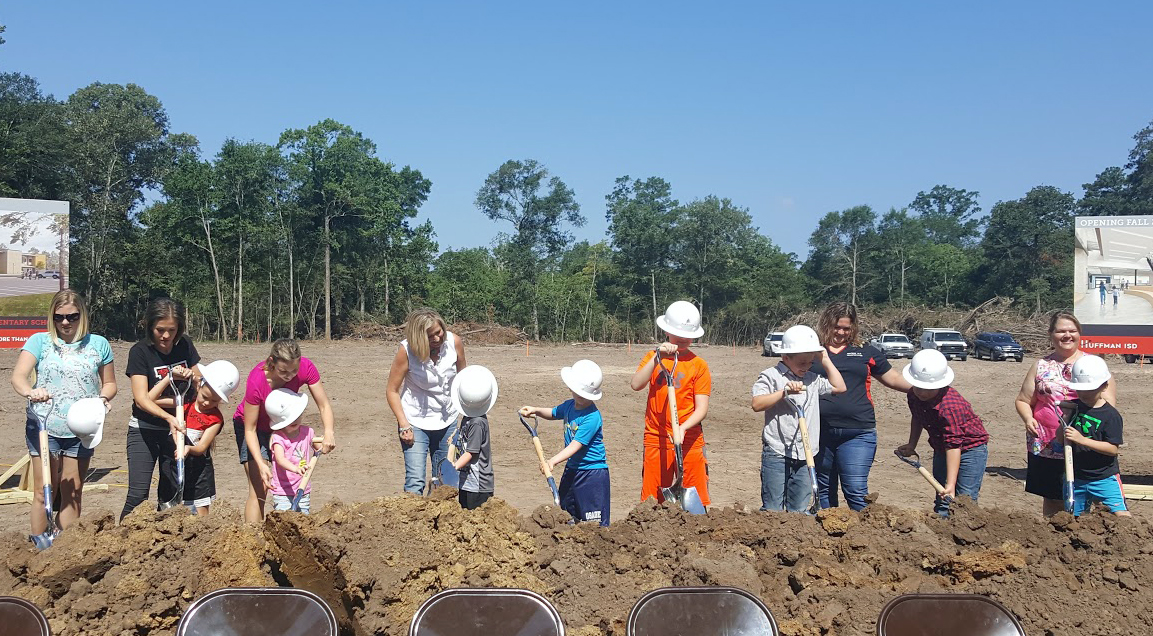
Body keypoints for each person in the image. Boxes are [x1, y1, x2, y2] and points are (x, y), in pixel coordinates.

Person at [11, 290, 116, 535]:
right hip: (45, 425)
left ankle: (63, 546)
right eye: (59, 318)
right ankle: (40, 545)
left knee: (73, 489)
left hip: (82, 428)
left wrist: (102, 399)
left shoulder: (98, 344)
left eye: (72, 316)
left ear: (82, 316)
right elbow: (18, 376)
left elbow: (109, 384)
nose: (66, 323)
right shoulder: (40, 341)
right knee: (45, 488)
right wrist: (31, 392)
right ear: (52, 317)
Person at [810, 302, 911, 511]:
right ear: (825, 324)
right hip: (818, 431)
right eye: (836, 327)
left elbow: (892, 378)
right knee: (823, 489)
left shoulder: (865, 351)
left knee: (855, 489)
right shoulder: (812, 351)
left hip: (857, 432)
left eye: (846, 328)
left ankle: (867, 535)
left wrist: (923, 389)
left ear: (853, 328)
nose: (840, 332)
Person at [1015, 312, 1116, 517]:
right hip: (1046, 444)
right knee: (1052, 496)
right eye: (1061, 331)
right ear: (1051, 334)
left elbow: (1108, 406)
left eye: (1072, 331)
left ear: (1080, 334)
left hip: (1083, 443)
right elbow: (1023, 400)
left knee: (1084, 496)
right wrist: (1028, 418)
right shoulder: (1041, 365)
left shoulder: (1093, 364)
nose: (1067, 335)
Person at [235, 339, 335, 522]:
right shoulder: (257, 380)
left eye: (294, 371)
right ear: (272, 362)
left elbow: (323, 404)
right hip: (254, 428)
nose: (289, 376)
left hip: (284, 425)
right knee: (260, 489)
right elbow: (250, 429)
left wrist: (329, 431)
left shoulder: (306, 367)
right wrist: (261, 463)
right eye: (283, 371)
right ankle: (252, 540)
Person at [121, 297, 201, 520]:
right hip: (144, 430)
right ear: (150, 327)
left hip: (177, 430)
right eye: (160, 330)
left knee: (171, 495)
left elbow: (199, 387)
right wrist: (170, 408)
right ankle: (121, 541)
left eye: (171, 330)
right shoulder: (139, 352)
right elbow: (141, 400)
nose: (166, 336)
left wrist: (191, 378)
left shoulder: (185, 345)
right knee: (138, 495)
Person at [752, 325, 846, 513]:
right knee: (772, 508)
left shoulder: (812, 379)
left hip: (807, 453)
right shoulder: (771, 376)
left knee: (800, 510)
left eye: (810, 362)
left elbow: (840, 387)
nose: (806, 367)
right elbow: (757, 404)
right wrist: (784, 392)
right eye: (802, 363)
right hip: (777, 450)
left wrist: (825, 359)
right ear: (786, 357)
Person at [630, 300, 711, 508]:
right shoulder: (653, 357)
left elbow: (701, 408)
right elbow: (636, 384)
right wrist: (657, 358)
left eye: (688, 336)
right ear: (666, 331)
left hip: (689, 438)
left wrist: (683, 428)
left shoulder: (699, 365)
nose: (683, 339)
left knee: (695, 498)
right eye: (678, 334)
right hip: (656, 437)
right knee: (653, 499)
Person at [519, 359, 611, 526]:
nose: (581, 397)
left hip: (592, 474)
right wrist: (536, 410)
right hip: (573, 470)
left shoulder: (592, 417)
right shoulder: (570, 406)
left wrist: (552, 461)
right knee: (565, 512)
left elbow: (575, 446)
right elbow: (554, 413)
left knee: (593, 522)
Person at [897, 350, 989, 517]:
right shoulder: (913, 395)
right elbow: (917, 417)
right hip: (941, 448)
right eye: (919, 387)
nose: (922, 393)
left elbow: (954, 445)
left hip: (970, 449)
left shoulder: (951, 406)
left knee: (964, 497)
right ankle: (942, 531)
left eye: (928, 389)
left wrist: (951, 483)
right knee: (942, 498)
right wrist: (912, 444)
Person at [386, 308, 467, 494]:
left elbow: (464, 380)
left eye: (439, 333)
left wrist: (466, 417)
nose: (437, 339)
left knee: (445, 480)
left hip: (448, 420)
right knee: (415, 481)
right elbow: (391, 390)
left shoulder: (454, 343)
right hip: (415, 422)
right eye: (430, 336)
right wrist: (403, 425)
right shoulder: (406, 351)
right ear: (418, 338)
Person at [146, 360, 238, 516]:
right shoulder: (182, 404)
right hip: (174, 467)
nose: (208, 403)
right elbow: (151, 399)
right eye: (205, 396)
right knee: (169, 510)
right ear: (198, 386)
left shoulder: (215, 419)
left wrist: (188, 448)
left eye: (215, 401)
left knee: (200, 513)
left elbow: (202, 447)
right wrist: (170, 377)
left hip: (199, 472)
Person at [1062, 355, 1130, 517]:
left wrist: (1082, 440)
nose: (1084, 394)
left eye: (1090, 389)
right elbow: (1060, 439)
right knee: (1074, 519)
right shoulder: (1074, 407)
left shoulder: (1111, 416)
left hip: (1104, 477)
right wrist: (1065, 418)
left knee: (1121, 516)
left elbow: (1112, 449)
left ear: (1104, 386)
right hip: (1076, 476)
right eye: (1080, 389)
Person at [266, 388, 323, 514]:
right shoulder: (278, 438)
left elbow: (319, 449)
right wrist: (296, 469)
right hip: (282, 491)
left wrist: (325, 443)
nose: (295, 421)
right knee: (283, 522)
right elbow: (280, 459)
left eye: (297, 416)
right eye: (290, 419)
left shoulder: (307, 432)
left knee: (304, 520)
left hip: (303, 487)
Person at [450, 366, 497, 510]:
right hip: (466, 482)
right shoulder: (468, 417)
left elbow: (472, 452)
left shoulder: (477, 423)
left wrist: (453, 467)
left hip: (478, 486)